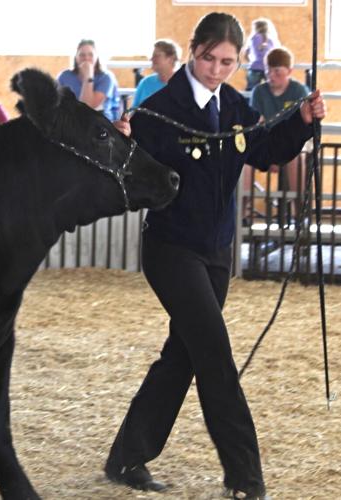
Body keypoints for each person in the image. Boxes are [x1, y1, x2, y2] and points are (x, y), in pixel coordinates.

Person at [105, 12, 325, 500]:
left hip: (216, 252)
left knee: (181, 355)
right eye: (209, 58)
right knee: (214, 354)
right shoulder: (158, 109)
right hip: (170, 248)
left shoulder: (236, 106)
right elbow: (127, 169)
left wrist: (302, 121)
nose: (217, 69)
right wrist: (120, 142)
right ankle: (245, 479)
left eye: (228, 61)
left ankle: (126, 457)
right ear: (193, 50)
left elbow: (265, 151)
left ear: (239, 61)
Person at [249, 47, 309, 224]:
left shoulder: (299, 91)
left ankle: (301, 215)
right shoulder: (259, 92)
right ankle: (242, 215)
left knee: (295, 158)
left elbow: (301, 127)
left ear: (289, 71)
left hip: (292, 142)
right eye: (268, 71)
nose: (271, 76)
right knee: (244, 161)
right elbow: (257, 123)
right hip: (266, 141)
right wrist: (269, 154)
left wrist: (279, 155)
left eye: (277, 71)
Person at [57, 39, 121, 121]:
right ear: (76, 57)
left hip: (100, 123)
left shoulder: (106, 77)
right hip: (71, 122)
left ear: (96, 57)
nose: (86, 58)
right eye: (82, 55)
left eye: (90, 55)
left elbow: (87, 107)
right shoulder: (64, 76)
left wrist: (88, 76)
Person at [132, 39, 182, 108]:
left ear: (170, 59)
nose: (152, 59)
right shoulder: (145, 83)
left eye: (156, 56)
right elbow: (133, 112)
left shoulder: (183, 84)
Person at [242, 18, 278, 91]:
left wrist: (251, 61)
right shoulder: (271, 39)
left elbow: (246, 53)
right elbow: (275, 53)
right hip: (268, 67)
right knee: (271, 90)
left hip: (255, 67)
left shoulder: (253, 38)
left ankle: (248, 102)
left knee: (250, 89)